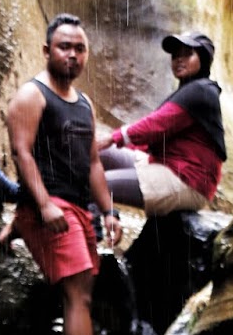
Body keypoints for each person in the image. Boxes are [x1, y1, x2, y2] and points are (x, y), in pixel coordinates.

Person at [5, 13, 134, 335]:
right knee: (78, 294)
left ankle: (15, 226)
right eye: (65, 47)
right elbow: (21, 152)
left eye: (80, 48)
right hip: (51, 205)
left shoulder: (84, 105)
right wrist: (41, 205)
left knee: (86, 290)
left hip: (77, 208)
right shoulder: (31, 96)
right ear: (47, 51)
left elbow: (93, 163)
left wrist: (109, 211)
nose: (73, 55)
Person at [97, 30, 226, 214]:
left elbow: (157, 124)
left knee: (98, 185)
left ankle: (90, 233)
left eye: (188, 54)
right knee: (98, 154)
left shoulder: (203, 90)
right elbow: (156, 138)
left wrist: (113, 138)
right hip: (166, 166)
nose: (179, 60)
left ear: (204, 58)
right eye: (176, 55)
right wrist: (112, 144)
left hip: (188, 181)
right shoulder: (187, 92)